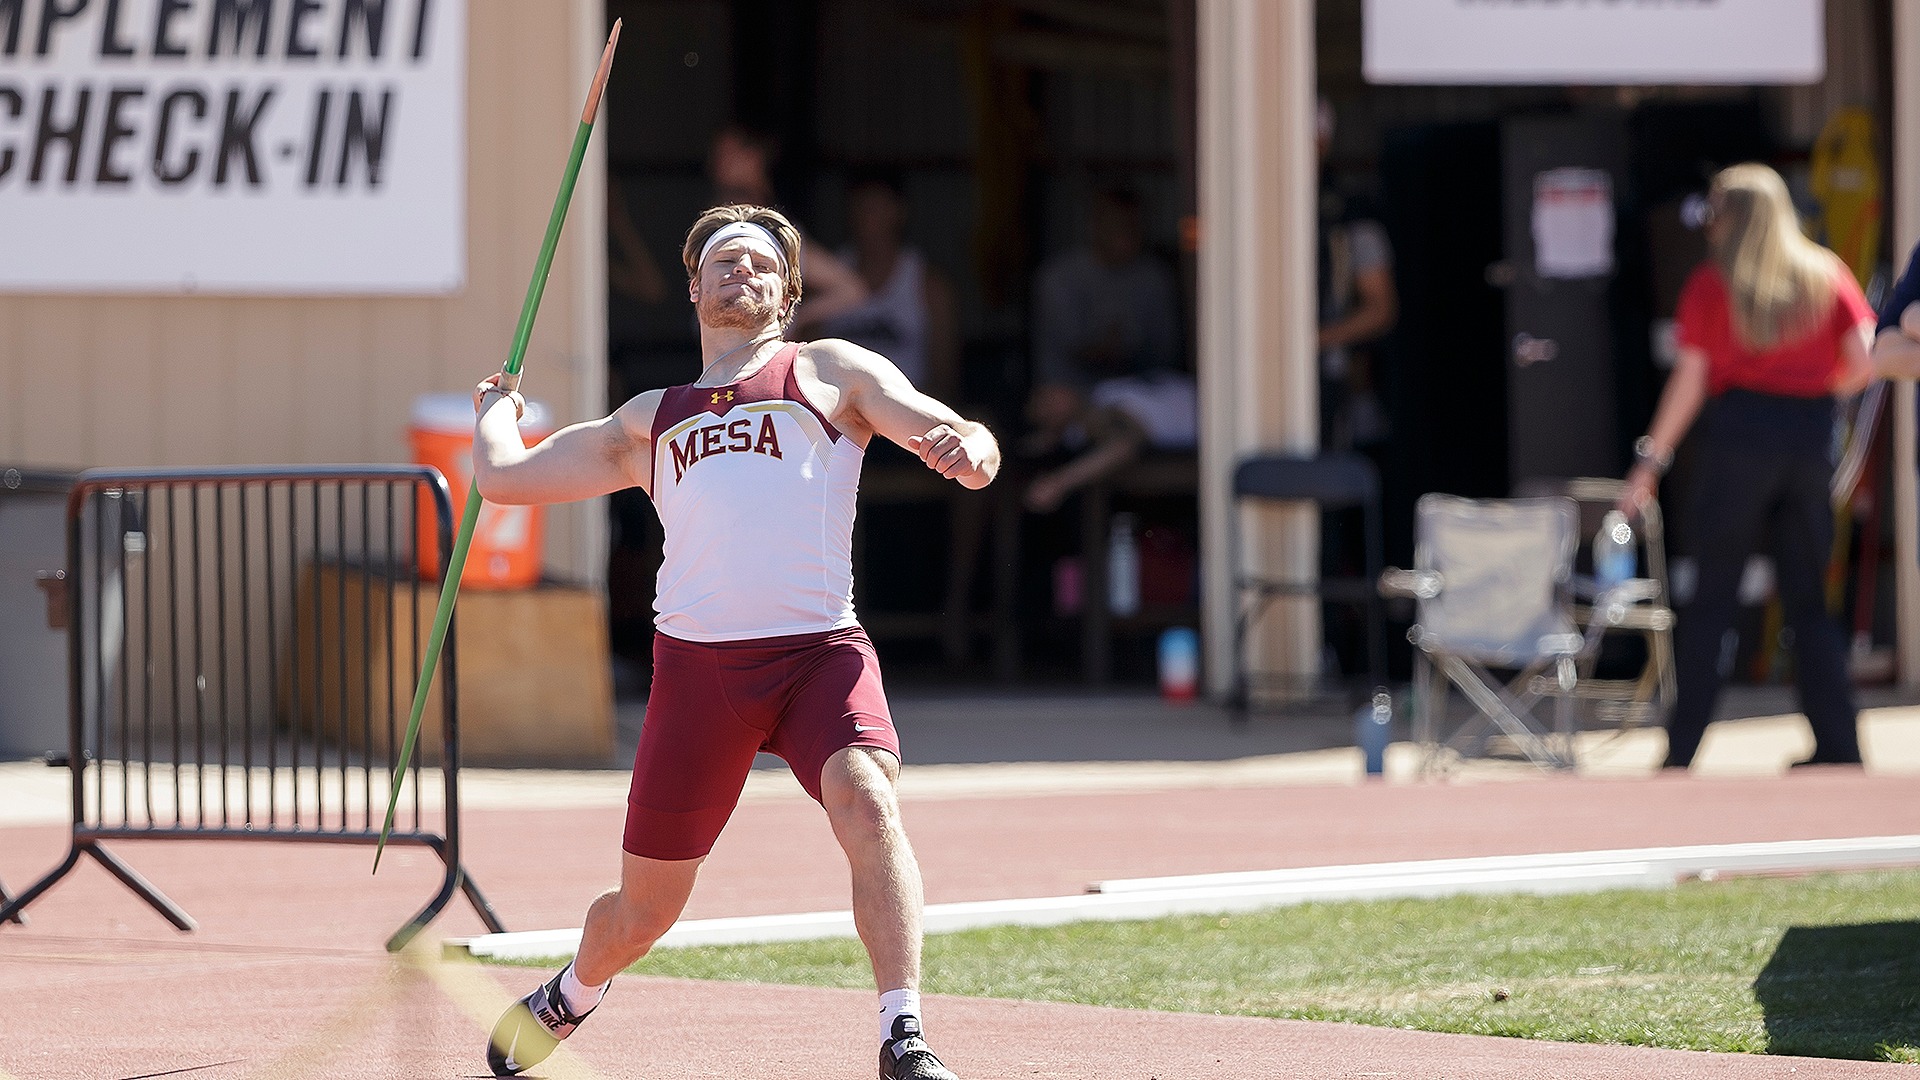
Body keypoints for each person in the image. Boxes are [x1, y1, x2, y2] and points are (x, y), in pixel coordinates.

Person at [475, 204, 996, 1080]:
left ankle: (903, 1035)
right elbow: (504, 477)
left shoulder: (829, 371)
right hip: (699, 674)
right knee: (643, 913)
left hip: (818, 655)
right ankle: (576, 987)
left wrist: (970, 449)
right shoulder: (652, 418)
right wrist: (497, 410)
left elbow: (959, 434)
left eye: (760, 263)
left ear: (787, 294)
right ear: (694, 288)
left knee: (867, 800)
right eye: (724, 261)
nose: (741, 271)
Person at [1619, 163, 1874, 770]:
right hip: (1809, 437)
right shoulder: (1824, 273)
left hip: (1740, 437)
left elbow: (1690, 380)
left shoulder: (1715, 285)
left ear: (1730, 218)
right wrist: (1819, 391)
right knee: (1810, 600)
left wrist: (1649, 462)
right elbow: (1863, 360)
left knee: (1713, 596)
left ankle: (1682, 751)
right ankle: (1838, 746)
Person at [1023, 188, 1191, 513]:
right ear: (1094, 225)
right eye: (1116, 226)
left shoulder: (1115, 402)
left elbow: (1123, 444)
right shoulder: (1060, 277)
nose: (1125, 237)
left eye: (1132, 227)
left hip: (1169, 406)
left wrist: (1058, 483)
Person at [1316, 97, 1397, 452]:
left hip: (1328, 375)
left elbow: (1381, 309)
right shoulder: (1250, 207)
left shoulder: (1350, 216)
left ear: (1322, 142)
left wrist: (1312, 340)